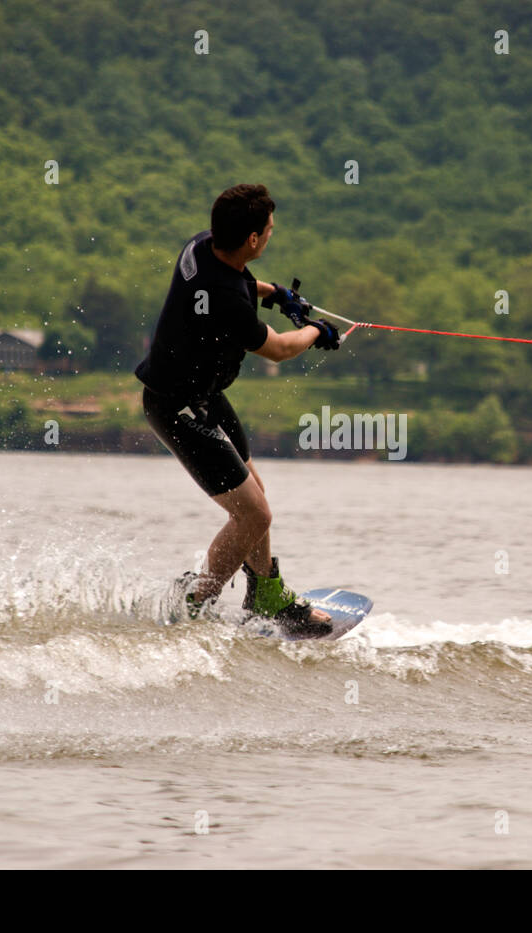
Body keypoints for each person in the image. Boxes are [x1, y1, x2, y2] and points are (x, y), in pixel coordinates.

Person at [134, 183, 341, 637]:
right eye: (269, 230)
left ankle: (265, 594)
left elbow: (236, 279)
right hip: (178, 406)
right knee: (255, 515)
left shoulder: (203, 245)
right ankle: (192, 605)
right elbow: (282, 349)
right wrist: (317, 332)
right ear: (251, 239)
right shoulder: (226, 300)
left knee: (256, 499)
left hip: (201, 394)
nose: (271, 234)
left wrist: (275, 293)